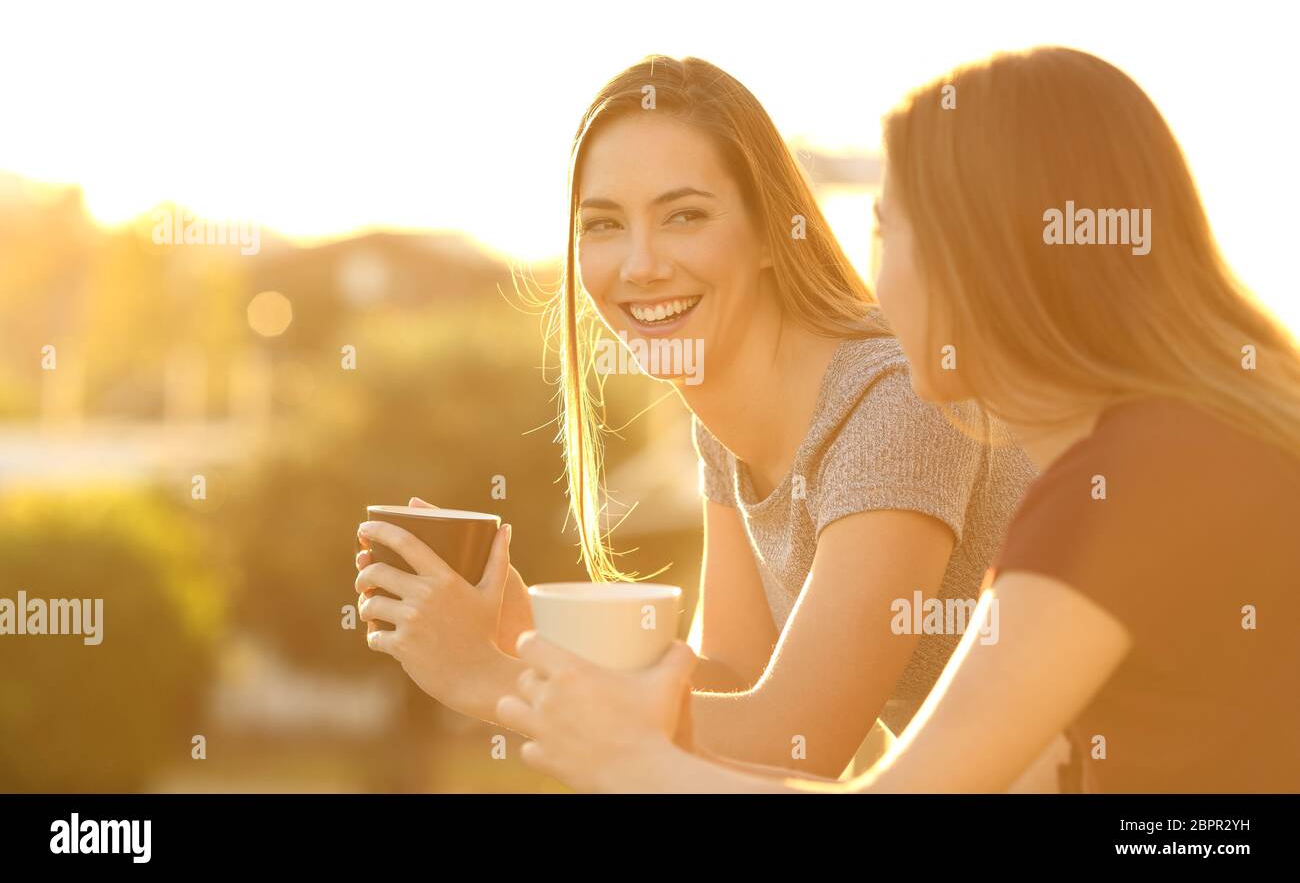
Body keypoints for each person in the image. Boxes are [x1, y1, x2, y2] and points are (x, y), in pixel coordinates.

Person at [495, 47, 1300, 793]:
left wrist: (620, 748)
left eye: (887, 228)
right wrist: (527, 642)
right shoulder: (1168, 456)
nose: (871, 278)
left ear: (988, 256)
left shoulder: (1119, 489)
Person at [354, 55, 1037, 780]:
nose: (640, 264)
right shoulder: (721, 422)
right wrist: (524, 640)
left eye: (685, 216)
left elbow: (800, 738)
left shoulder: (895, 403)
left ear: (775, 232)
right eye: (605, 225)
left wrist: (488, 680)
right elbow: (740, 680)